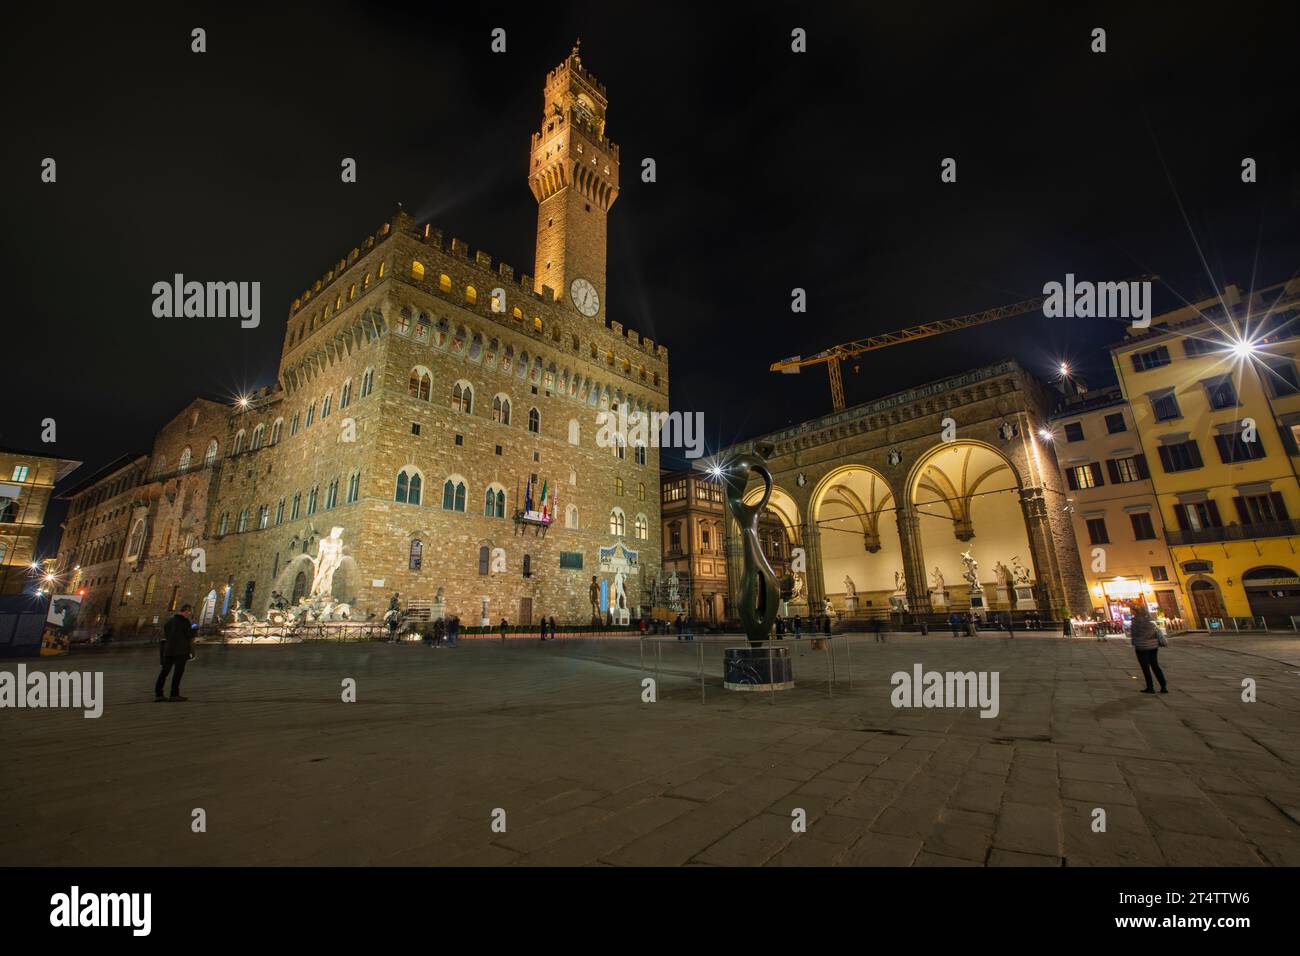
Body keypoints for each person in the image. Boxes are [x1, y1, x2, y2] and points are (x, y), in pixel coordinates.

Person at [155, 604, 195, 702]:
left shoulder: (169, 621)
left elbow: (166, 634)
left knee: (164, 672)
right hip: (181, 651)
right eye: (189, 612)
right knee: (178, 673)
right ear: (186, 611)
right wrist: (194, 628)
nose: (189, 614)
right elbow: (189, 635)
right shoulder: (185, 622)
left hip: (168, 650)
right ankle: (174, 694)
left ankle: (158, 694)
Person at [1130, 604, 1168, 693]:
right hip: (1153, 647)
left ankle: (1150, 687)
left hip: (1142, 647)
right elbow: (1154, 633)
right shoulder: (1149, 622)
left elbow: (1134, 635)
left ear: (1136, 613)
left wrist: (1135, 642)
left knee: (1145, 667)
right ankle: (1163, 687)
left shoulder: (1135, 623)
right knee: (1155, 666)